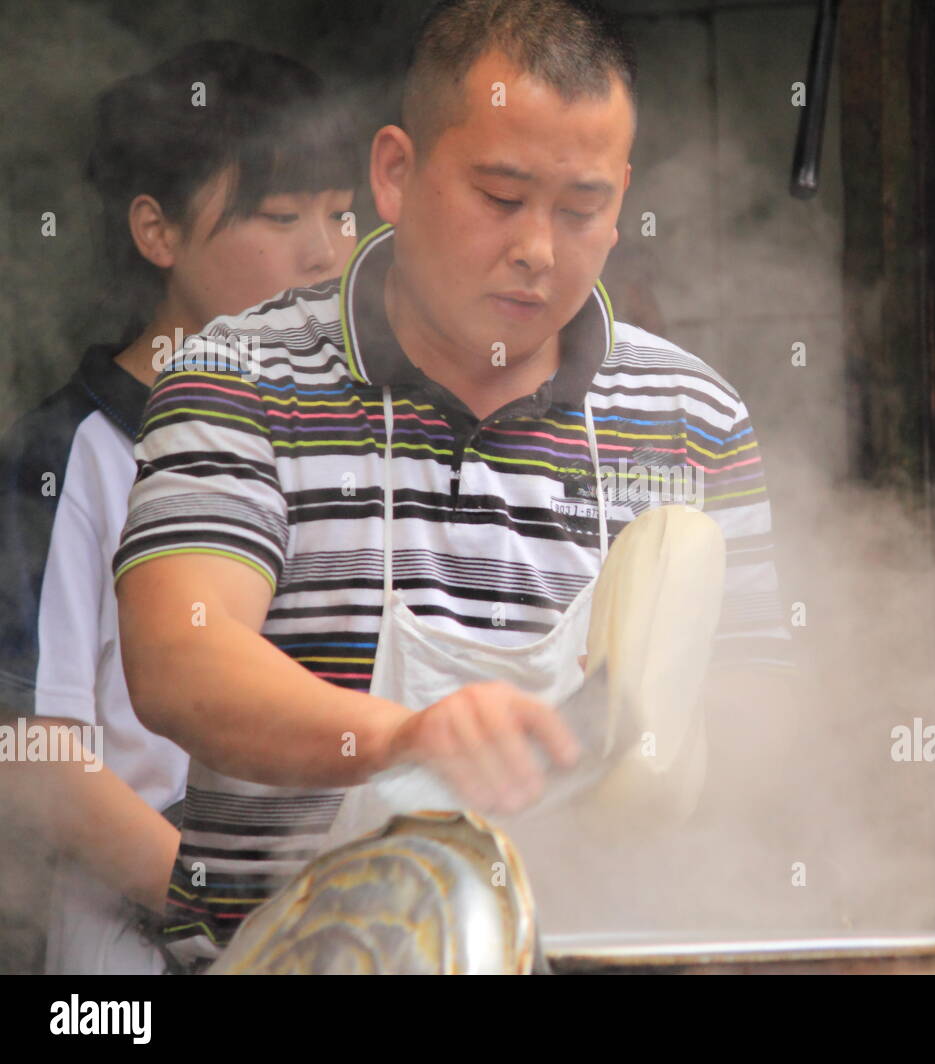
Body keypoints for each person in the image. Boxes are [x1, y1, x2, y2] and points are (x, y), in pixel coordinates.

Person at [113, 0, 791, 972]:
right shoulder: (240, 377)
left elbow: (756, 703)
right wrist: (406, 737)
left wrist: (668, 756)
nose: (538, 249)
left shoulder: (691, 414)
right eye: (501, 196)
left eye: (580, 207)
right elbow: (180, 658)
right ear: (395, 171)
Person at [0, 39, 361, 975]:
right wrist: (250, 922)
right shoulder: (65, 455)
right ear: (156, 232)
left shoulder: (356, 438)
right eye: (282, 217)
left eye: (343, 215)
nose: (325, 252)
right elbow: (36, 764)